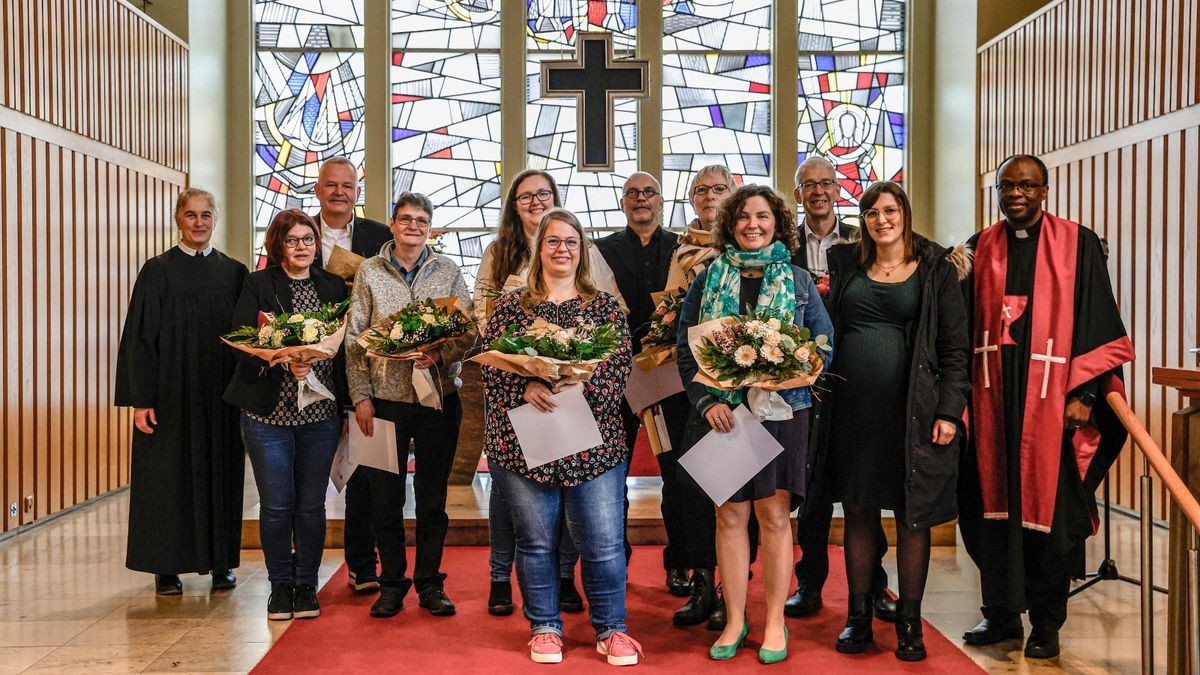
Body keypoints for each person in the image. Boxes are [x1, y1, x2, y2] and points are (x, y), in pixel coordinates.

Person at [959, 154, 1134, 659]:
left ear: (1045, 190)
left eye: (1027, 186)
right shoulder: (979, 247)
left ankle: (1046, 623)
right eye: (1007, 186)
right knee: (988, 514)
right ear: (996, 192)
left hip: (1053, 404)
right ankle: (1000, 615)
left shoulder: (1078, 244)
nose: (1016, 194)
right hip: (992, 400)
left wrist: (1084, 396)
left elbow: (1097, 318)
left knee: (1051, 521)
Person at [676, 185, 834, 664]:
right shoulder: (708, 279)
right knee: (729, 516)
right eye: (743, 217)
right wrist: (706, 403)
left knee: (773, 517)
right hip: (723, 415)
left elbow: (823, 342)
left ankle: (773, 624)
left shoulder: (800, 281)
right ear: (730, 224)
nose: (752, 225)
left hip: (782, 411)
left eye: (762, 216)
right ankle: (736, 619)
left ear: (777, 222)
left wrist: (794, 370)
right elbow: (688, 350)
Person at [481, 208, 641, 666]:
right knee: (535, 541)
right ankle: (545, 627)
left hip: (592, 442)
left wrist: (583, 386)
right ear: (539, 250)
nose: (563, 250)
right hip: (525, 442)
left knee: (604, 541)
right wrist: (524, 384)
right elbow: (492, 365)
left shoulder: (604, 307)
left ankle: (612, 629)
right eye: (553, 241)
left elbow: (618, 366)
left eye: (572, 241)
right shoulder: (513, 307)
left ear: (582, 250)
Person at [818, 182, 970, 660]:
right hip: (851, 412)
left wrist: (949, 410)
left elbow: (954, 349)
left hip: (914, 412)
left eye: (889, 210)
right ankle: (859, 616)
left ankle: (909, 621)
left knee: (912, 514)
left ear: (904, 212)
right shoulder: (846, 264)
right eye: (871, 212)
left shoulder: (935, 270)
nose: (881, 219)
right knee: (859, 511)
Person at [343, 192, 478, 619]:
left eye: (421, 220)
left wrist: (439, 355)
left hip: (438, 398)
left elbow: (467, 331)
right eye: (406, 219)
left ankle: (430, 583)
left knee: (432, 497)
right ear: (393, 224)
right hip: (384, 400)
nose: (413, 227)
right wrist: (361, 396)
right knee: (385, 497)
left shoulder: (448, 271)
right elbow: (353, 340)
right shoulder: (370, 271)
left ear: (430, 227)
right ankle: (392, 584)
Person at [114, 188, 248, 596]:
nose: (199, 222)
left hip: (219, 397)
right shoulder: (158, 271)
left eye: (206, 214)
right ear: (178, 219)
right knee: (166, 479)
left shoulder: (234, 272)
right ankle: (165, 567)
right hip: (169, 397)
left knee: (221, 474)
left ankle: (221, 561)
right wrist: (142, 399)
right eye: (191, 215)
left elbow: (248, 338)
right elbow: (139, 339)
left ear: (216, 218)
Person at [784, 156, 895, 623]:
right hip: (797, 378)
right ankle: (809, 582)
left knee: (861, 485)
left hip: (852, 374)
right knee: (810, 487)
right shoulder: (782, 245)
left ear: (838, 189)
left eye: (826, 183)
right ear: (798, 195)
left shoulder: (862, 237)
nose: (818, 192)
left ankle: (875, 585)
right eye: (808, 185)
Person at [224, 209, 349, 620]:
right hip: (268, 416)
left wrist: (314, 363)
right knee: (276, 505)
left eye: (308, 239)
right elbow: (243, 338)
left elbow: (343, 348)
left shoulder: (332, 286)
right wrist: (281, 359)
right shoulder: (259, 283)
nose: (302, 247)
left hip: (319, 414)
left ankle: (306, 585)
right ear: (278, 244)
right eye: (293, 240)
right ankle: (280, 586)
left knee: (311, 505)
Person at [654, 165, 738, 630]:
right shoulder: (681, 250)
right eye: (700, 189)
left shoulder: (746, 245)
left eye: (718, 188)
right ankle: (703, 580)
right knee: (690, 485)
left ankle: (732, 586)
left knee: (734, 487)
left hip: (738, 387)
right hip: (690, 386)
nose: (709, 196)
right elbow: (670, 309)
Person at [594, 171, 685, 593]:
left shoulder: (682, 249)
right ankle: (615, 560)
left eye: (649, 192)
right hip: (617, 377)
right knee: (613, 475)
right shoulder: (602, 250)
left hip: (668, 377)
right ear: (623, 202)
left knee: (677, 474)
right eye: (632, 193)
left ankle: (680, 562)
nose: (641, 199)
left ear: (661, 201)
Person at [311, 156, 392, 594]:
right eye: (331, 185)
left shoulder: (379, 236)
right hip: (313, 367)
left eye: (348, 186)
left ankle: (363, 564)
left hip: (367, 364)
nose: (339, 192)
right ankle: (302, 565)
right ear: (318, 189)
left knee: (367, 471)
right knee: (310, 472)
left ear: (357, 193)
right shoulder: (296, 231)